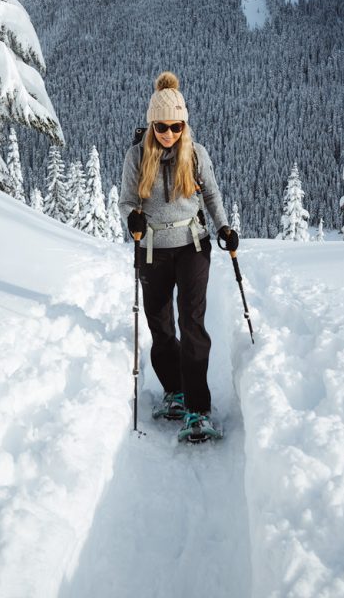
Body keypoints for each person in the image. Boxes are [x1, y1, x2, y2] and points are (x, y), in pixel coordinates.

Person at [120, 71, 238, 442]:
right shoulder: (137, 156)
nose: (168, 133)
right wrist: (133, 219)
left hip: (192, 247)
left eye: (175, 126)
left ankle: (198, 410)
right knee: (161, 326)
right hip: (153, 249)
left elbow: (212, 197)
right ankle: (175, 392)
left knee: (192, 325)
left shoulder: (196, 154)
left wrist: (223, 228)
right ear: (151, 123)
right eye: (161, 126)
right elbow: (126, 201)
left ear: (183, 124)